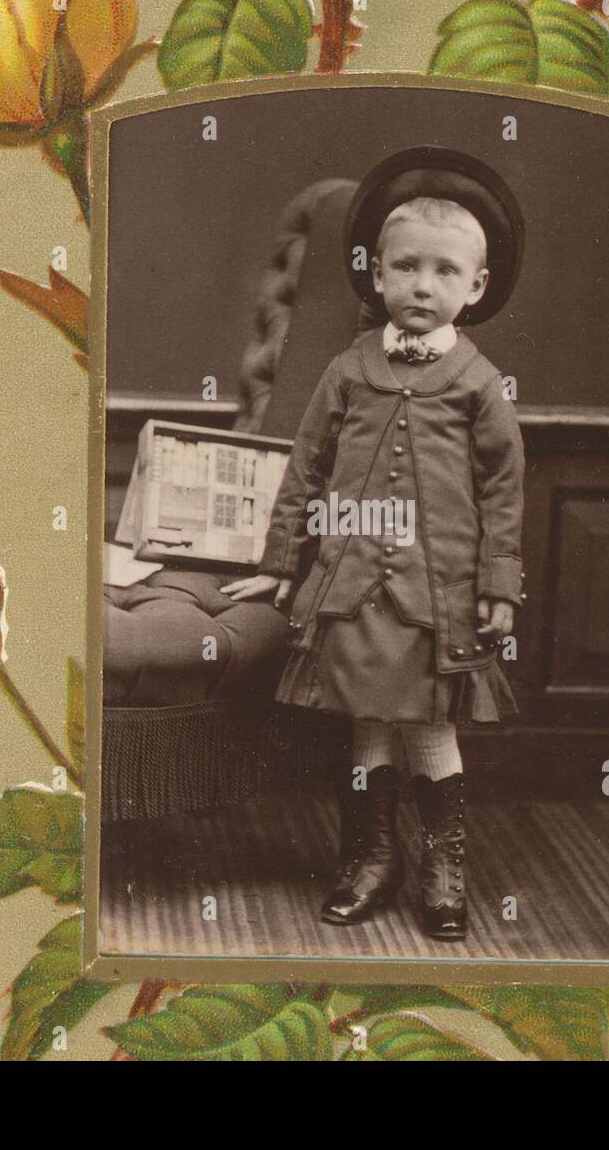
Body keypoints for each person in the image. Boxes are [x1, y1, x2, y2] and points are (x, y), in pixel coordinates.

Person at [221, 147, 526, 942]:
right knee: (364, 722)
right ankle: (371, 855)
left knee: (428, 725)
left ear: (476, 287)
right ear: (378, 275)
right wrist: (281, 564)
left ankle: (443, 865)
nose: (424, 286)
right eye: (407, 268)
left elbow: (502, 490)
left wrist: (498, 585)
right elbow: (305, 468)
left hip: (439, 591)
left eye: (444, 273)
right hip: (352, 583)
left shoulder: (479, 383)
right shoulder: (347, 369)